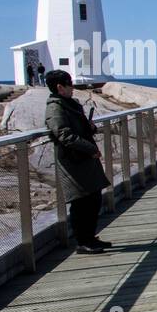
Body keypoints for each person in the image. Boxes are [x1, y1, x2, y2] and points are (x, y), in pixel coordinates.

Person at [44, 69, 110, 254]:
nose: (73, 87)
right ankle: (83, 241)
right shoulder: (55, 107)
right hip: (74, 162)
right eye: (70, 84)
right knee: (81, 202)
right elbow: (64, 134)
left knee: (93, 198)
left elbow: (78, 128)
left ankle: (90, 237)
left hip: (84, 160)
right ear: (60, 87)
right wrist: (90, 149)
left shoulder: (68, 103)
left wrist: (91, 127)